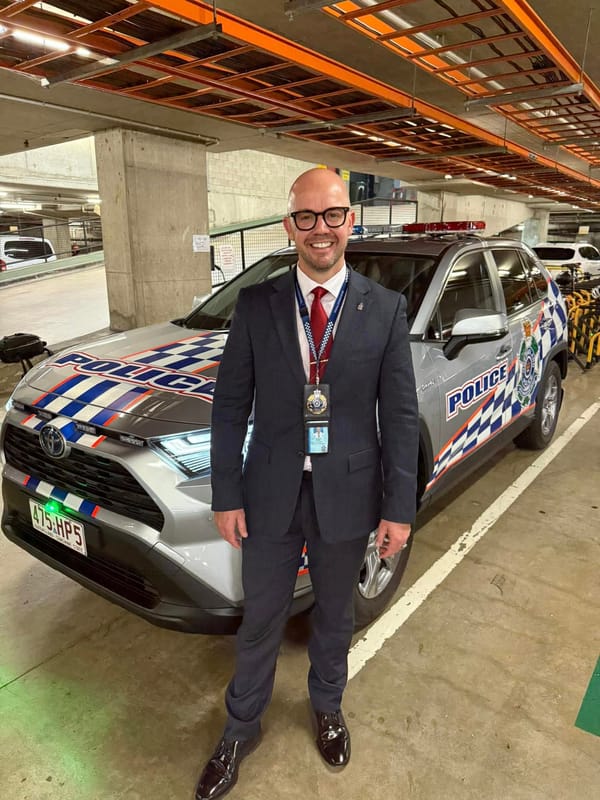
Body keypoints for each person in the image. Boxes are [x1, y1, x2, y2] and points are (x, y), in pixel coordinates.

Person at [195, 168, 419, 800]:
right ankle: (241, 727)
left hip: (349, 494)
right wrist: (226, 493)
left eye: (333, 215)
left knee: (334, 614)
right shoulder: (258, 304)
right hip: (268, 490)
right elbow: (229, 406)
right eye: (306, 217)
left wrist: (398, 509)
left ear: (351, 220)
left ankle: (327, 707)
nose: (320, 229)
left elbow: (399, 417)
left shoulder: (384, 308)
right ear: (288, 225)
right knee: (261, 614)